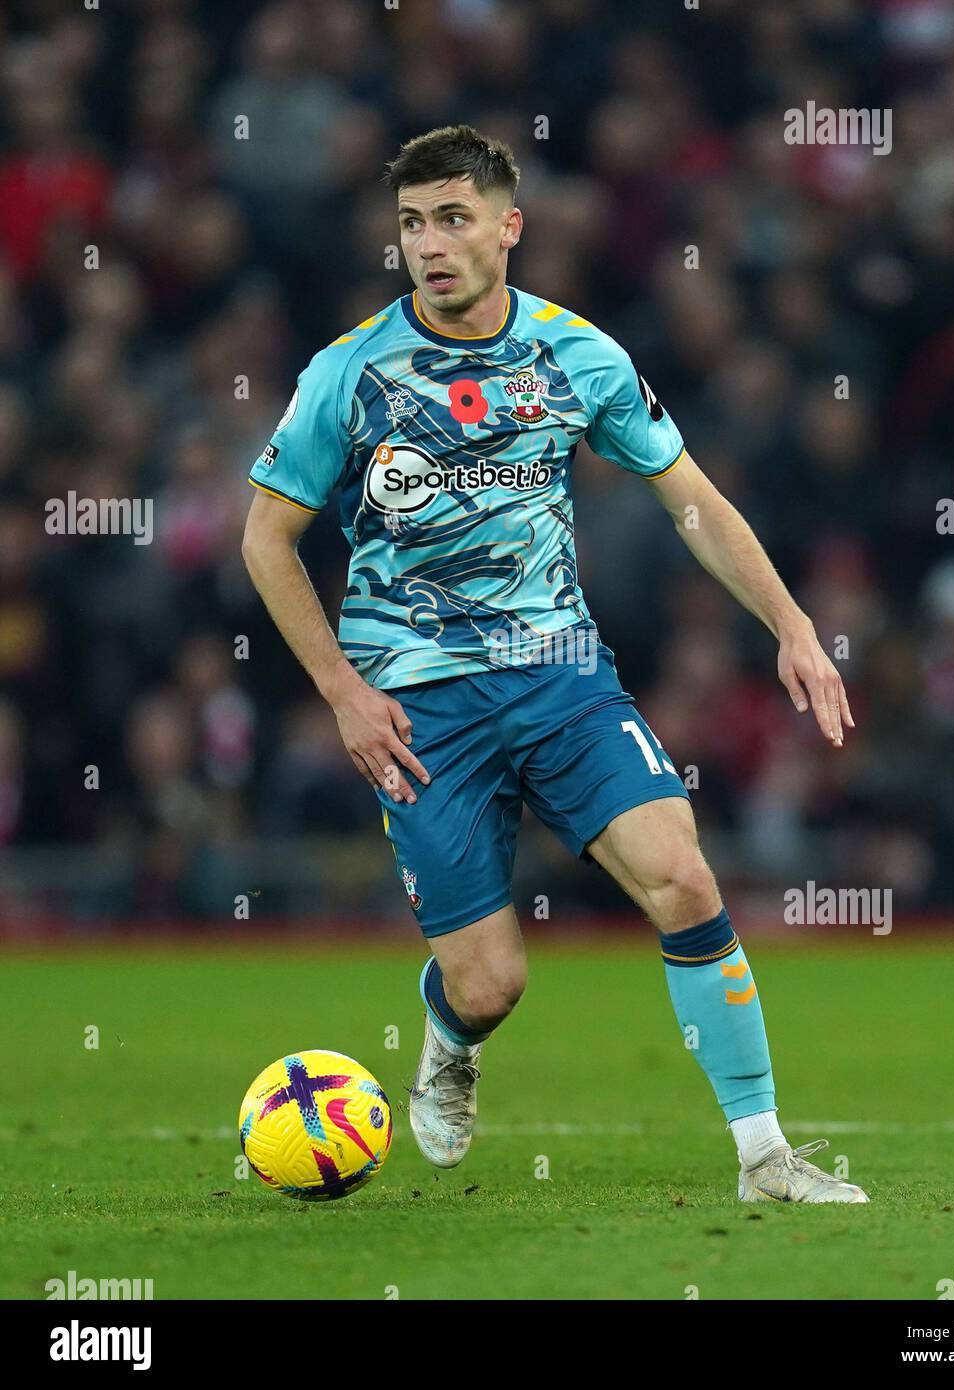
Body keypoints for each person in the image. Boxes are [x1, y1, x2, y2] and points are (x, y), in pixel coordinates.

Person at [242, 125, 868, 1203]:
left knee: (682, 875)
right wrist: (344, 693)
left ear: (508, 226)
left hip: (563, 676)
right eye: (411, 223)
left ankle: (764, 1155)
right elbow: (267, 537)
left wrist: (793, 624)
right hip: (417, 699)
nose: (429, 245)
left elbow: (694, 503)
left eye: (452, 218)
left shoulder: (579, 354)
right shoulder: (347, 375)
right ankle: (449, 1038)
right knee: (491, 983)